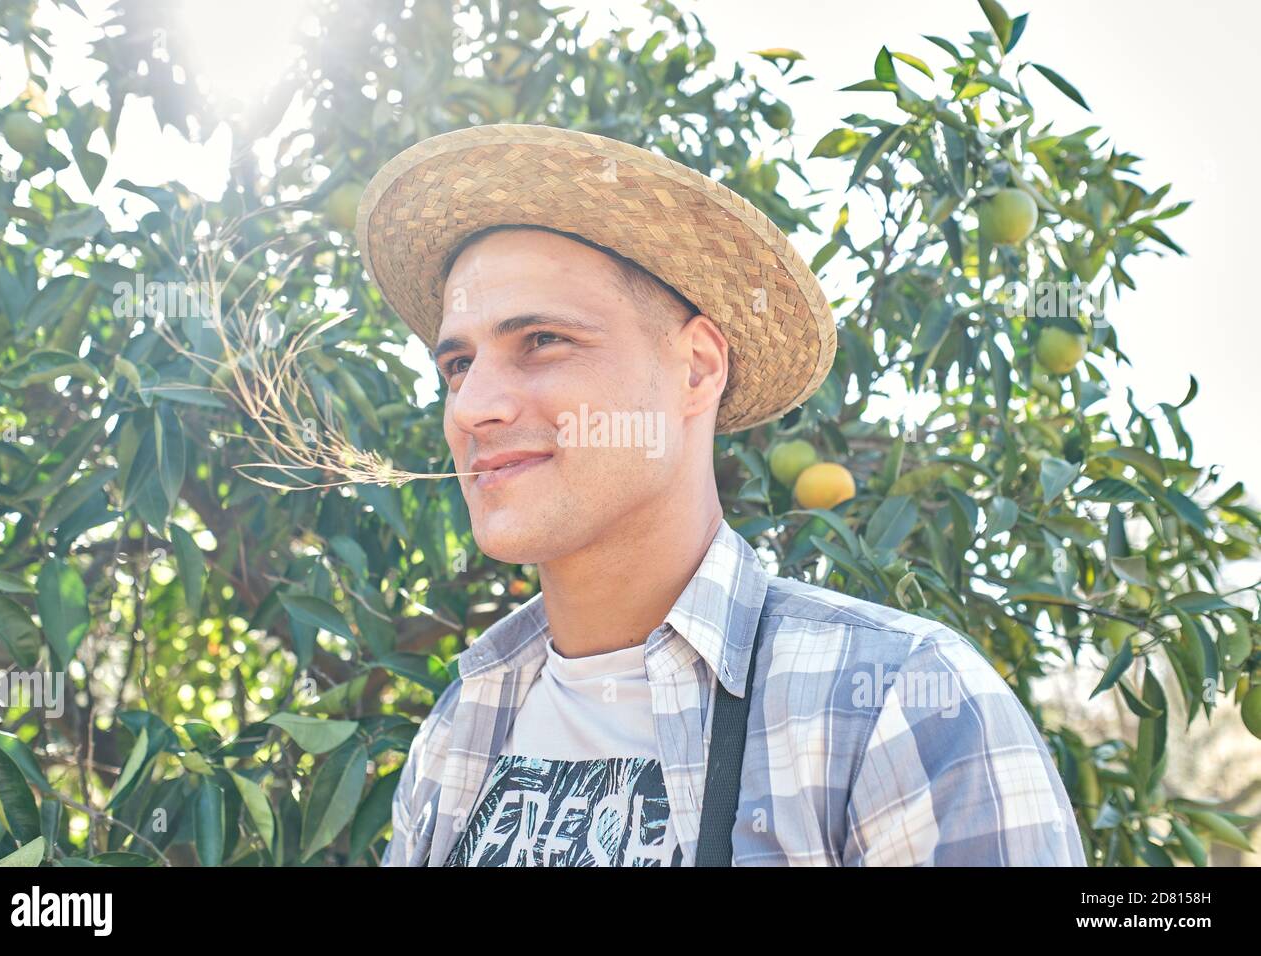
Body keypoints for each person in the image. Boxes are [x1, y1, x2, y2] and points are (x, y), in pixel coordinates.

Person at [355, 123, 1086, 867]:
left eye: (542, 340)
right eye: (456, 363)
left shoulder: (896, 705)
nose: (472, 406)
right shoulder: (460, 726)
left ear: (697, 369)